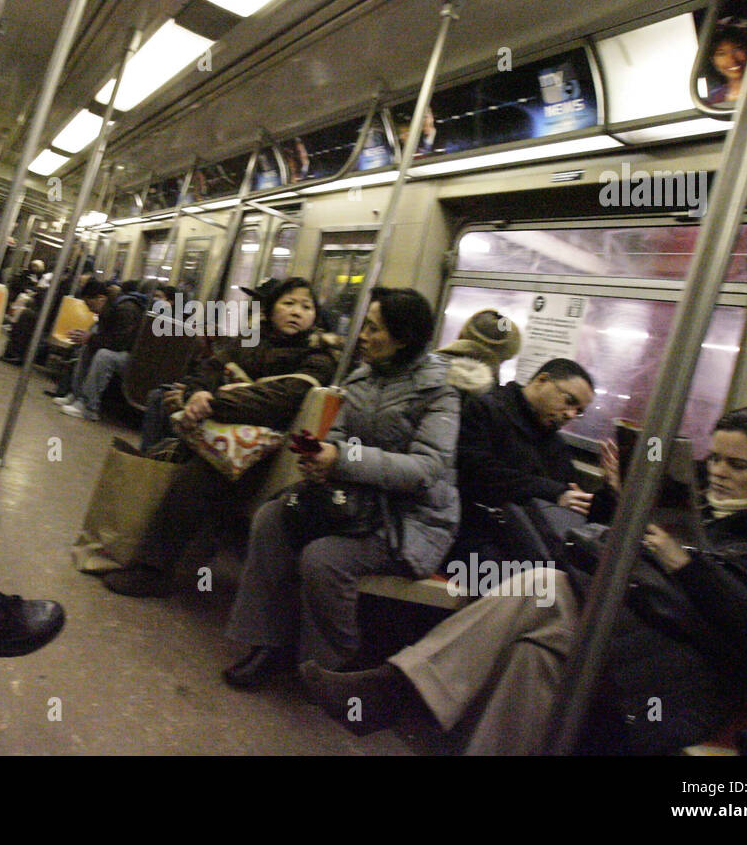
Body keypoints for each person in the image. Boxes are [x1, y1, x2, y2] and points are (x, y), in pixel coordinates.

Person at [300, 406, 747, 755]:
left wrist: (687, 565)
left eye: (740, 465)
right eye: (717, 461)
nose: (721, 474)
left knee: (549, 587)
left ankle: (396, 689)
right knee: (535, 651)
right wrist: (622, 501)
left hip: (694, 678)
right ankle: (403, 694)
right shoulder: (702, 516)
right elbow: (639, 578)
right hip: (636, 641)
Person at [218, 288, 461, 684]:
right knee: (271, 519)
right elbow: (341, 435)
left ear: (403, 338)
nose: (361, 335)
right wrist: (321, 462)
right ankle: (267, 645)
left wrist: (344, 460)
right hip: (351, 503)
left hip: (406, 521)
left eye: (373, 328)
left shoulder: (439, 393)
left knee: (323, 558)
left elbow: (426, 470)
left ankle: (329, 666)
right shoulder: (363, 377)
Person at [102, 278, 340, 597]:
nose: (297, 312)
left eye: (306, 306)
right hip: (219, 434)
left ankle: (153, 571)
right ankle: (138, 551)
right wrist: (196, 392)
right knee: (166, 454)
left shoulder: (318, 359)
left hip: (263, 453)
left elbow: (281, 399)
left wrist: (213, 402)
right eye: (289, 303)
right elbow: (209, 368)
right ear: (270, 309)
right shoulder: (247, 340)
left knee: (195, 479)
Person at [450, 358, 617, 566]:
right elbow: (477, 474)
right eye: (568, 400)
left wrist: (610, 489)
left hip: (530, 538)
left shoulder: (553, 442)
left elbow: (576, 503)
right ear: (542, 380)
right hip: (475, 531)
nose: (570, 414)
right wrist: (554, 493)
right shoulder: (486, 409)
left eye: (579, 411)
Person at [57, 279, 147, 421]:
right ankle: (77, 394)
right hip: (123, 349)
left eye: (90, 304)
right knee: (90, 348)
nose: (89, 310)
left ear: (101, 298)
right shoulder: (112, 307)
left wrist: (91, 338)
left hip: (135, 357)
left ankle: (89, 407)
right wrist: (90, 339)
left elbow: (120, 343)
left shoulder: (126, 309)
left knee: (104, 356)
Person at [707, 27, 747, 105]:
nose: (731, 60)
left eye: (737, 49)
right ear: (713, 60)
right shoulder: (715, 97)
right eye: (721, 54)